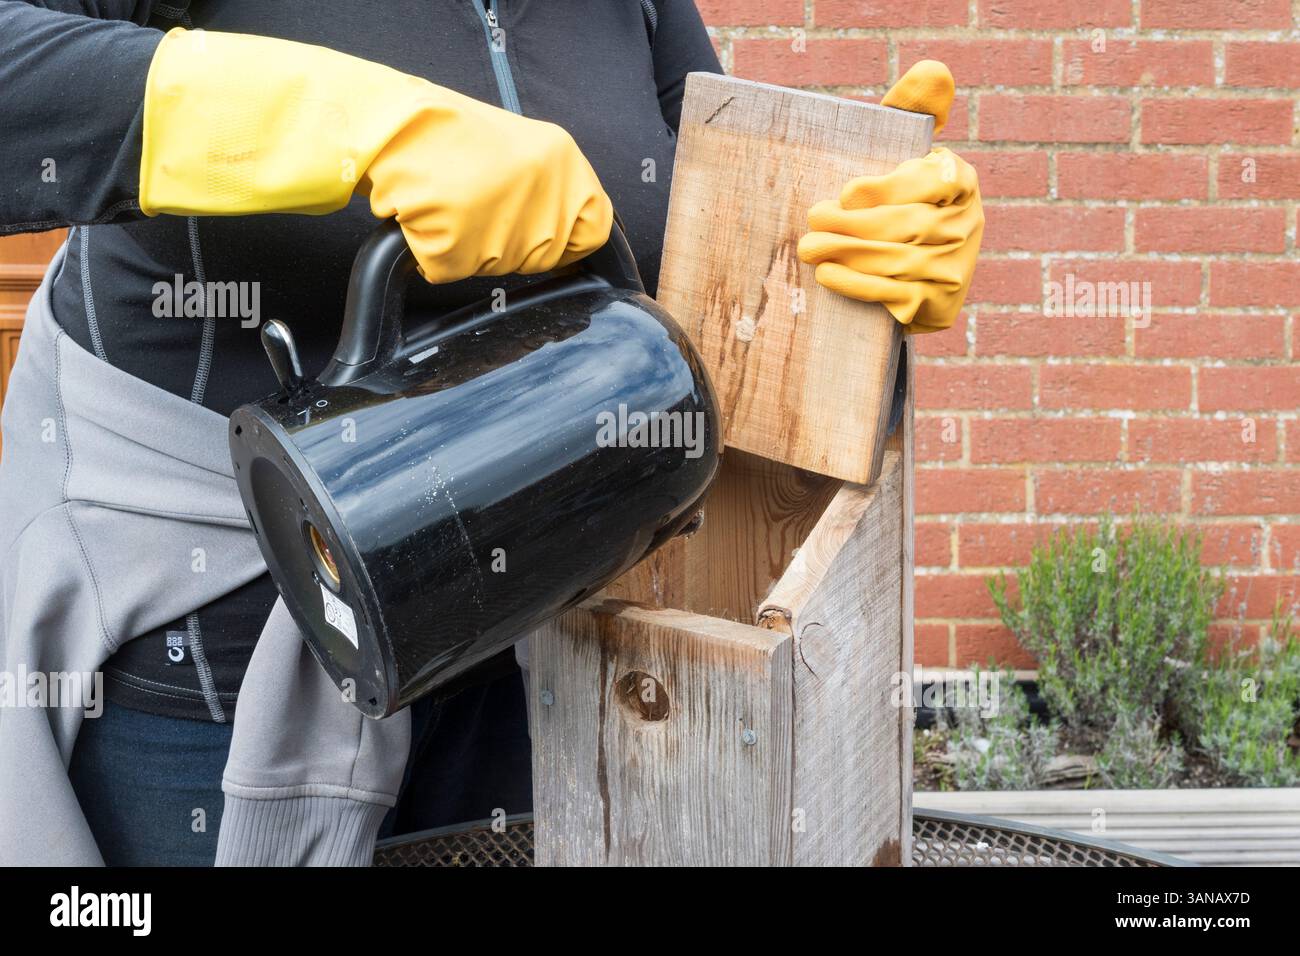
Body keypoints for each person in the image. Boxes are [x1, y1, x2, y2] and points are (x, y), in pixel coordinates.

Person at [0, 0, 982, 866]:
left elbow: (687, 225)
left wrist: (839, 264)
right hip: (221, 623)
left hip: (529, 603)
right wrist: (361, 127)